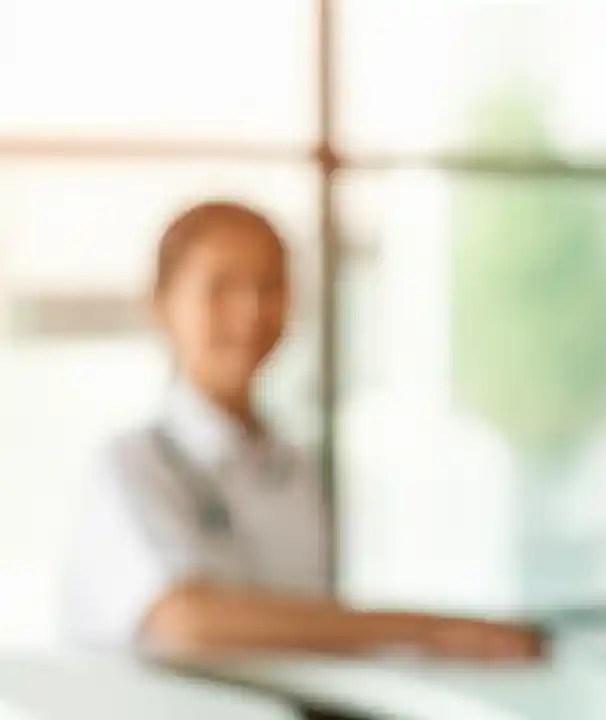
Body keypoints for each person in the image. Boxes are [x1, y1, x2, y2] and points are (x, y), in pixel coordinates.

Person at [62, 201, 543, 660]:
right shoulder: (129, 466)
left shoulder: (299, 469)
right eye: (221, 287)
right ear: (162, 304)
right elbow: (187, 623)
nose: (250, 311)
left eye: (270, 286)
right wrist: (429, 632)